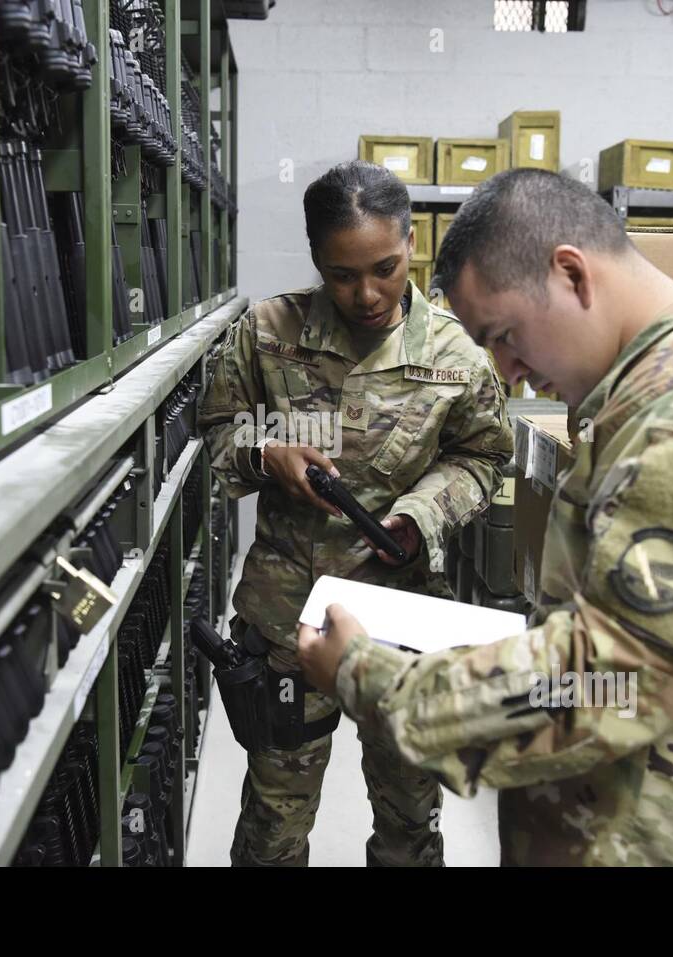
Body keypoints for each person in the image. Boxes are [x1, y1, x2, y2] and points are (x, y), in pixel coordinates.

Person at [298, 168, 673, 866]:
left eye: (503, 335)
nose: (505, 372)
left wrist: (369, 674)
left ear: (571, 274)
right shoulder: (656, 390)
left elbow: (613, 677)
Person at [197, 161, 512, 866]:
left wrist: (422, 513)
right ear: (316, 260)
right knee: (272, 829)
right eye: (342, 275)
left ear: (411, 245)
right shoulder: (269, 332)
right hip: (287, 621)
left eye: (386, 267)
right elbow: (214, 432)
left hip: (399, 622)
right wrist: (266, 454)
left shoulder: (457, 356)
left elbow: (483, 459)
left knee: (409, 822)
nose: (367, 293)